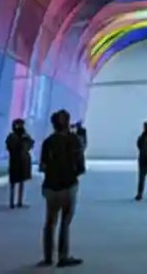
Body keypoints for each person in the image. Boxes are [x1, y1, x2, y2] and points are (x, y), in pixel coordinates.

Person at [38, 109, 84, 268]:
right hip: (68, 186)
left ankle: (47, 257)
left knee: (50, 222)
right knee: (65, 222)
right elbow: (81, 166)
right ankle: (63, 256)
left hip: (51, 187)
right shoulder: (75, 140)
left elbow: (42, 166)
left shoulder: (48, 142)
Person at [6, 119, 34, 209]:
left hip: (16, 160)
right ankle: (18, 201)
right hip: (22, 160)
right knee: (20, 181)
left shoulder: (12, 136)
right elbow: (30, 145)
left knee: (15, 181)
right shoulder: (24, 136)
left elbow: (8, 147)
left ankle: (14, 201)